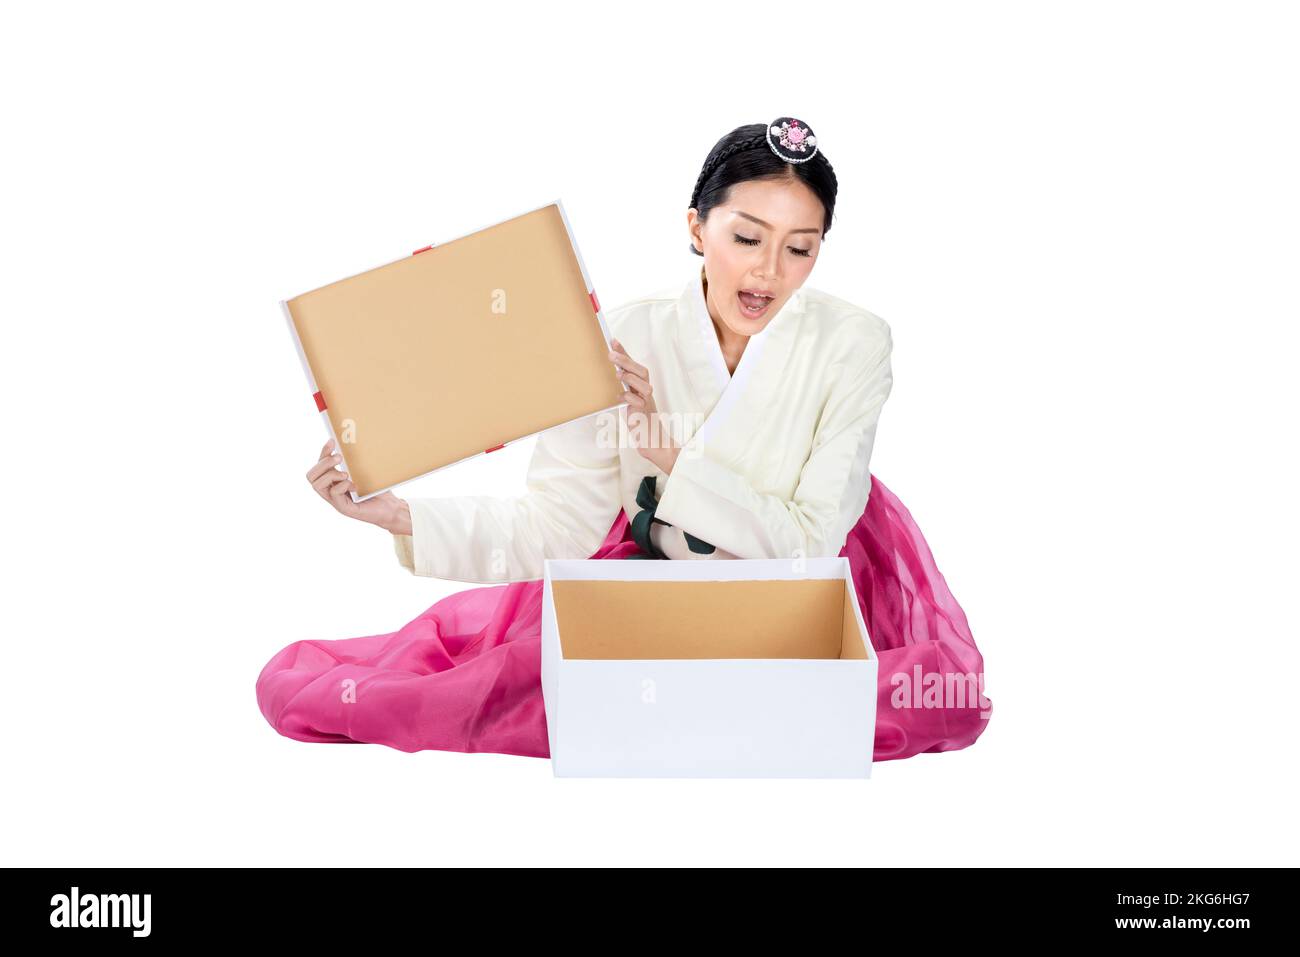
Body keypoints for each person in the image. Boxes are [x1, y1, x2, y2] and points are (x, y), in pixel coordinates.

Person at [256, 117, 992, 763]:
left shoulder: (854, 344)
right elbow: (558, 529)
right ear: (696, 228)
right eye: (745, 237)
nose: (769, 271)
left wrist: (669, 454)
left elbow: (805, 548)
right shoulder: (621, 340)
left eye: (801, 248)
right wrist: (400, 515)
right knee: (504, 702)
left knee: (812, 714)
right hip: (656, 581)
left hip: (813, 588)